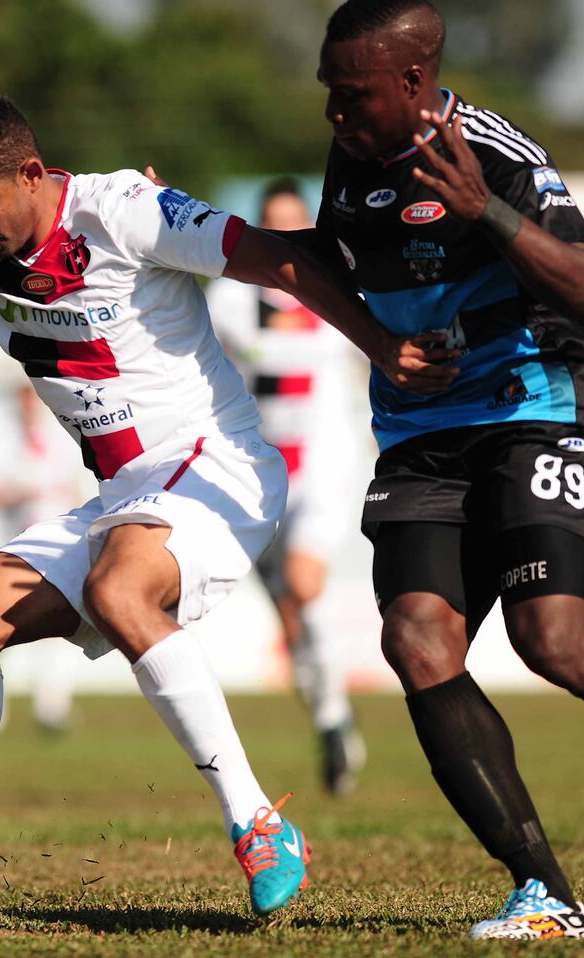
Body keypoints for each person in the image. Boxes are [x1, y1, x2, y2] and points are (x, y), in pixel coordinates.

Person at [0, 89, 449, 918]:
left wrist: (384, 346)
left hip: (218, 466)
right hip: (131, 494)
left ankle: (257, 821)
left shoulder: (124, 211)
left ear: (31, 174)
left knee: (119, 588)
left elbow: (280, 257)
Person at [303, 0, 584, 939]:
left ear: (413, 84)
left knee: (553, 640)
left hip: (532, 412)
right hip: (421, 433)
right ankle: (545, 892)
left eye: (351, 96)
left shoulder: (498, 154)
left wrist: (488, 213)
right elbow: (327, 268)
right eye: (329, 95)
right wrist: (382, 347)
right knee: (416, 640)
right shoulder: (352, 160)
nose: (334, 115)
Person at [207, 178, 367, 796]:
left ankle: (331, 720)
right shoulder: (227, 300)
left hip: (324, 465)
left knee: (304, 584)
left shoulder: (341, 289)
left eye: (296, 224)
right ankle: (332, 719)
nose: (287, 236)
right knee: (291, 618)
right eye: (274, 225)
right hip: (255, 471)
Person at [0, 384, 92, 732]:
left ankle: (51, 706)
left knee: (58, 628)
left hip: (56, 550)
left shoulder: (58, 438)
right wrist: (18, 493)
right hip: (12, 547)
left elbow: (73, 487)